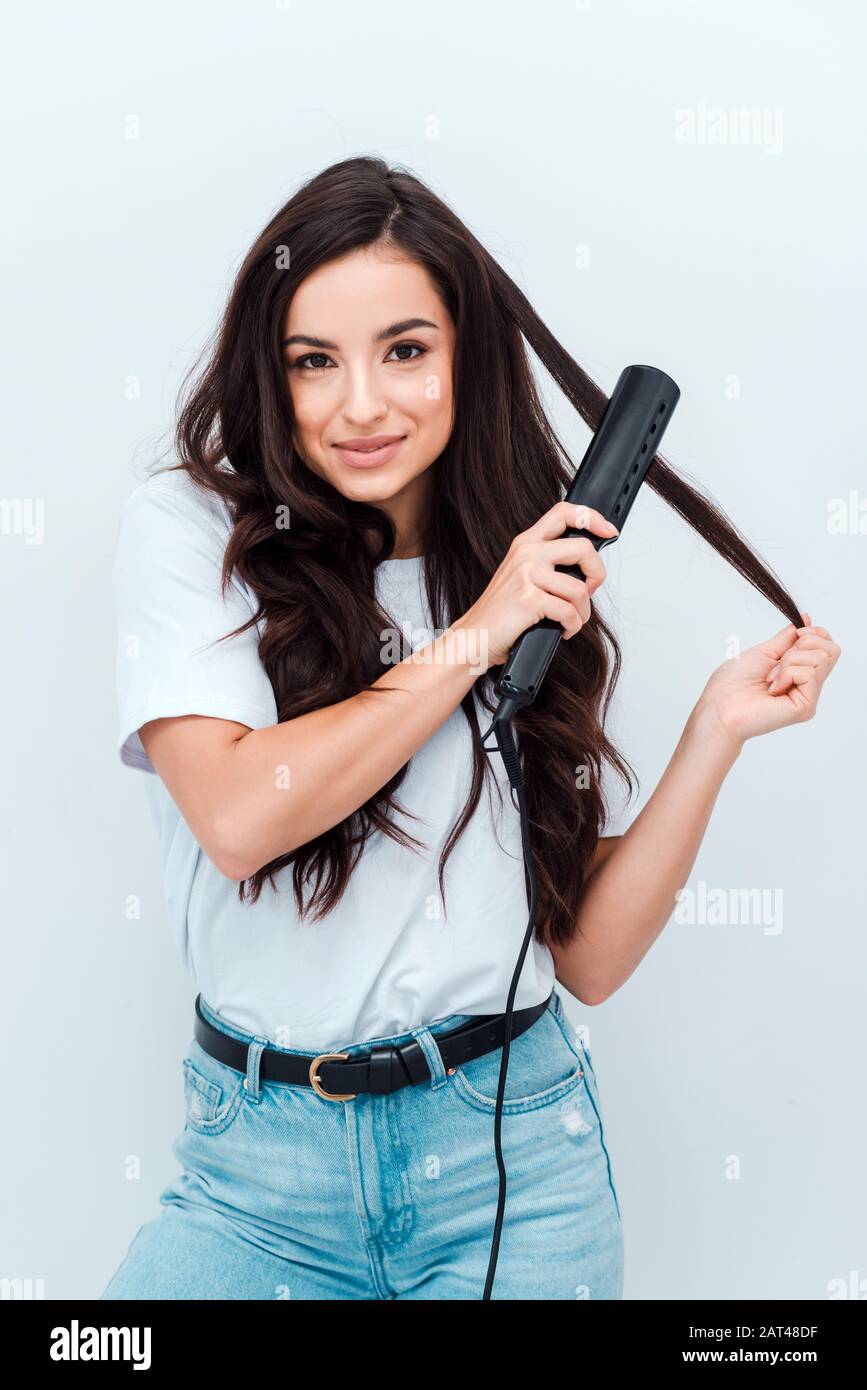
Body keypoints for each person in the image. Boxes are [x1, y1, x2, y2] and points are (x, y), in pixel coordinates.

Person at [101, 156, 840, 1301]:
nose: (361, 404)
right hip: (258, 1184)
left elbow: (584, 958)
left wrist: (713, 735)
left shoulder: (515, 566)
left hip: (515, 1164)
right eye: (313, 361)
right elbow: (242, 816)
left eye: (405, 350)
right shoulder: (193, 533)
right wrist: (475, 636)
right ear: (269, 371)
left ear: (463, 358)